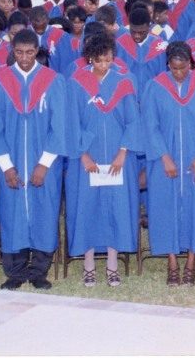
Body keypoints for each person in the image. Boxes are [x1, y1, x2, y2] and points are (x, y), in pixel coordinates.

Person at [0, 28, 68, 290]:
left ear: (38, 51)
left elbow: (59, 128)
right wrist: (6, 167)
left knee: (45, 211)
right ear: (12, 51)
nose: (25, 58)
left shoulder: (53, 81)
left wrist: (44, 163)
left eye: (30, 52)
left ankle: (39, 271)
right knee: (11, 212)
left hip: (46, 164)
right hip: (10, 161)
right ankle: (15, 272)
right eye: (19, 52)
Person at [140, 41, 195, 287]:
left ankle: (191, 259)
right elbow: (150, 126)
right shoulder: (155, 87)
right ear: (168, 64)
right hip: (164, 160)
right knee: (165, 208)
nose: (179, 72)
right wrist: (164, 157)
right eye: (174, 68)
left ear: (191, 63)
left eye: (183, 67)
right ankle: (172, 261)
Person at [66, 31, 141, 288]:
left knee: (116, 209)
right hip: (88, 156)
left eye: (108, 60)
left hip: (118, 157)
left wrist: (123, 152)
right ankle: (88, 267)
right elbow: (71, 123)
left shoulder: (125, 82)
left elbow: (133, 121)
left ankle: (112, 265)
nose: (103, 65)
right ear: (89, 59)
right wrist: (83, 155)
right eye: (98, 61)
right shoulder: (76, 83)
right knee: (87, 208)